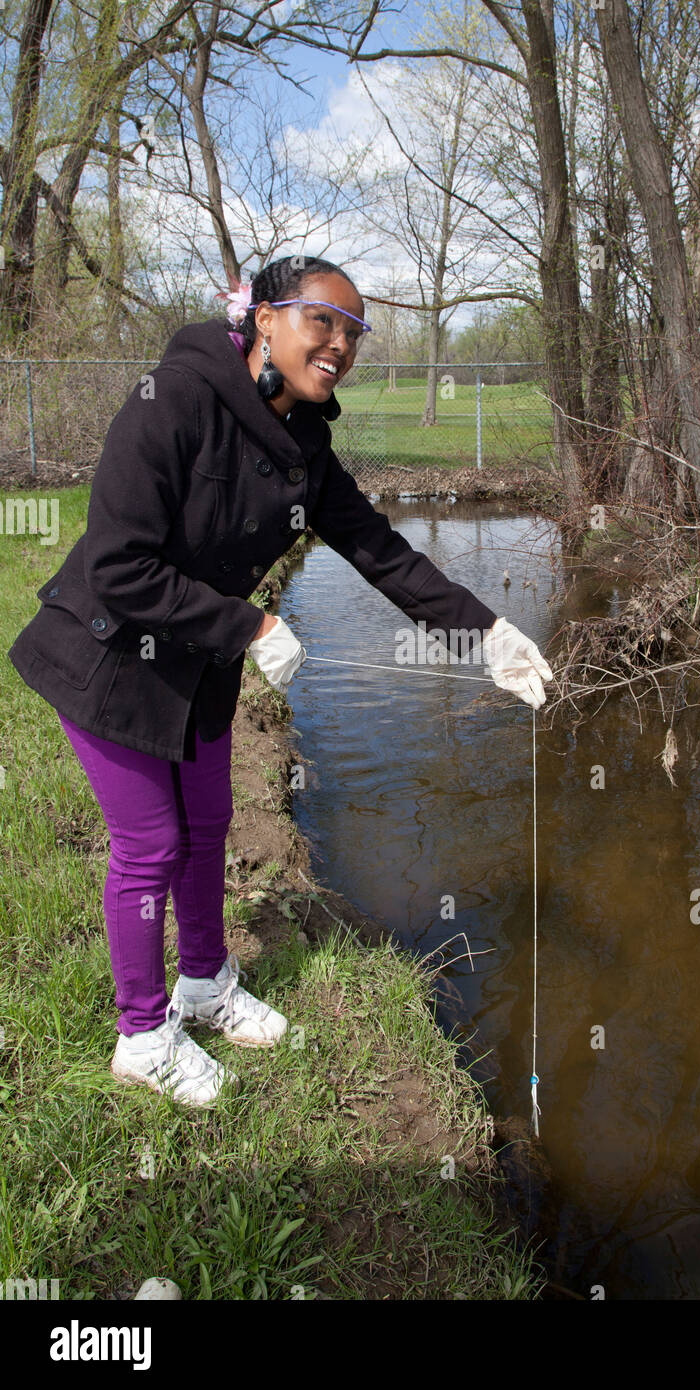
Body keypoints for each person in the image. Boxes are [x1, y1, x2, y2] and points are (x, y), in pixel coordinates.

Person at [7, 254, 554, 1109]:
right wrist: (250, 624)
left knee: (211, 825)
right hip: (111, 659)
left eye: (353, 330)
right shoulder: (176, 398)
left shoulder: (307, 444)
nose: (339, 342)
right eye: (320, 320)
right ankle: (144, 1036)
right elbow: (117, 567)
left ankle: (206, 984)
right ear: (264, 318)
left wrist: (486, 636)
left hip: (202, 668)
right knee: (149, 846)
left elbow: (381, 553)